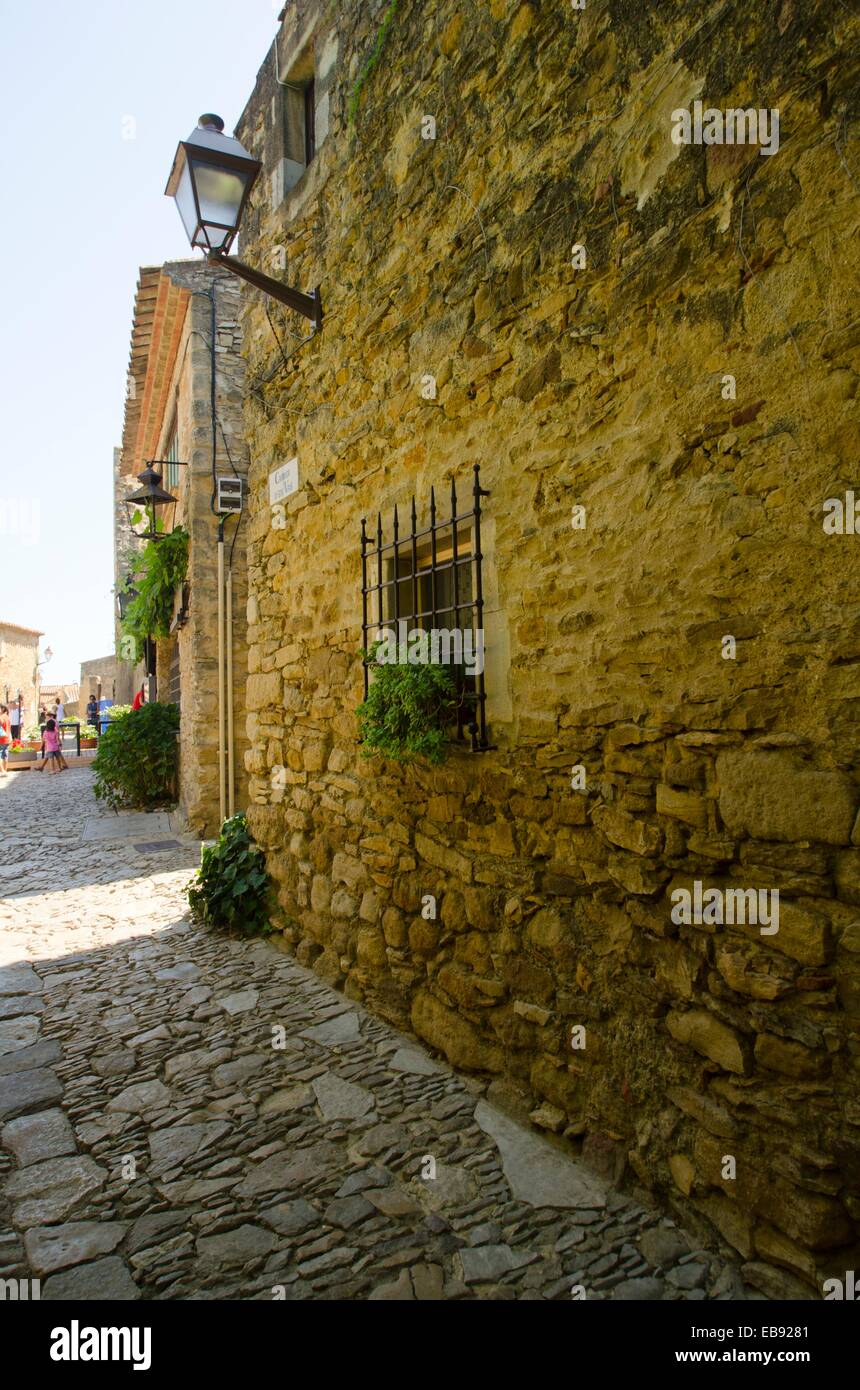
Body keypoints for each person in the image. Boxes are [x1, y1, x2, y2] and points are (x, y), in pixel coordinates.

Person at [0, 705, 11, 777]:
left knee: (1, 756)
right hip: (7, 738)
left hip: (1, 739)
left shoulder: (1, 717)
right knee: (5, 756)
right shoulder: (7, 717)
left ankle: (2, 771)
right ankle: (5, 771)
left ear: (2, 709)